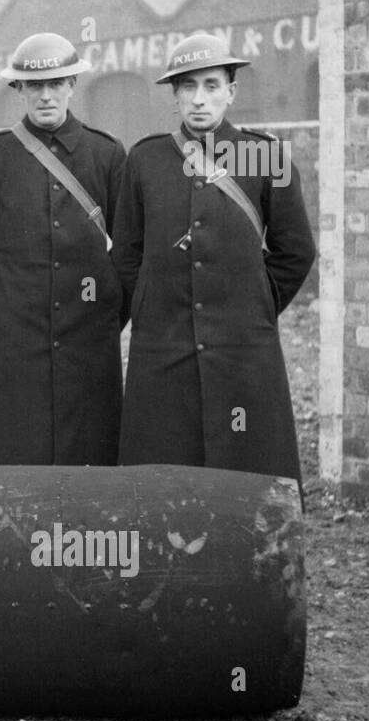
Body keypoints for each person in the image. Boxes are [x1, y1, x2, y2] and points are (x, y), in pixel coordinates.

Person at [113, 33, 315, 486]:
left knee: (249, 471)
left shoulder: (266, 156)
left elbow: (296, 250)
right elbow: (126, 252)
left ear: (231, 92)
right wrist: (151, 304)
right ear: (174, 96)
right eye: (188, 88)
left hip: (244, 345)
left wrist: (254, 304)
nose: (199, 99)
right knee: (163, 475)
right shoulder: (145, 160)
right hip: (163, 344)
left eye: (211, 86)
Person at [0, 32, 127, 465]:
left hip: (89, 336)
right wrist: (8, 307)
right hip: (14, 341)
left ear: (72, 85)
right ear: (18, 90)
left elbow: (129, 251)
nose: (45, 96)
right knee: (16, 456)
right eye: (34, 86)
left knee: (91, 456)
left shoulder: (107, 153)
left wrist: (104, 311)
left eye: (56, 84)